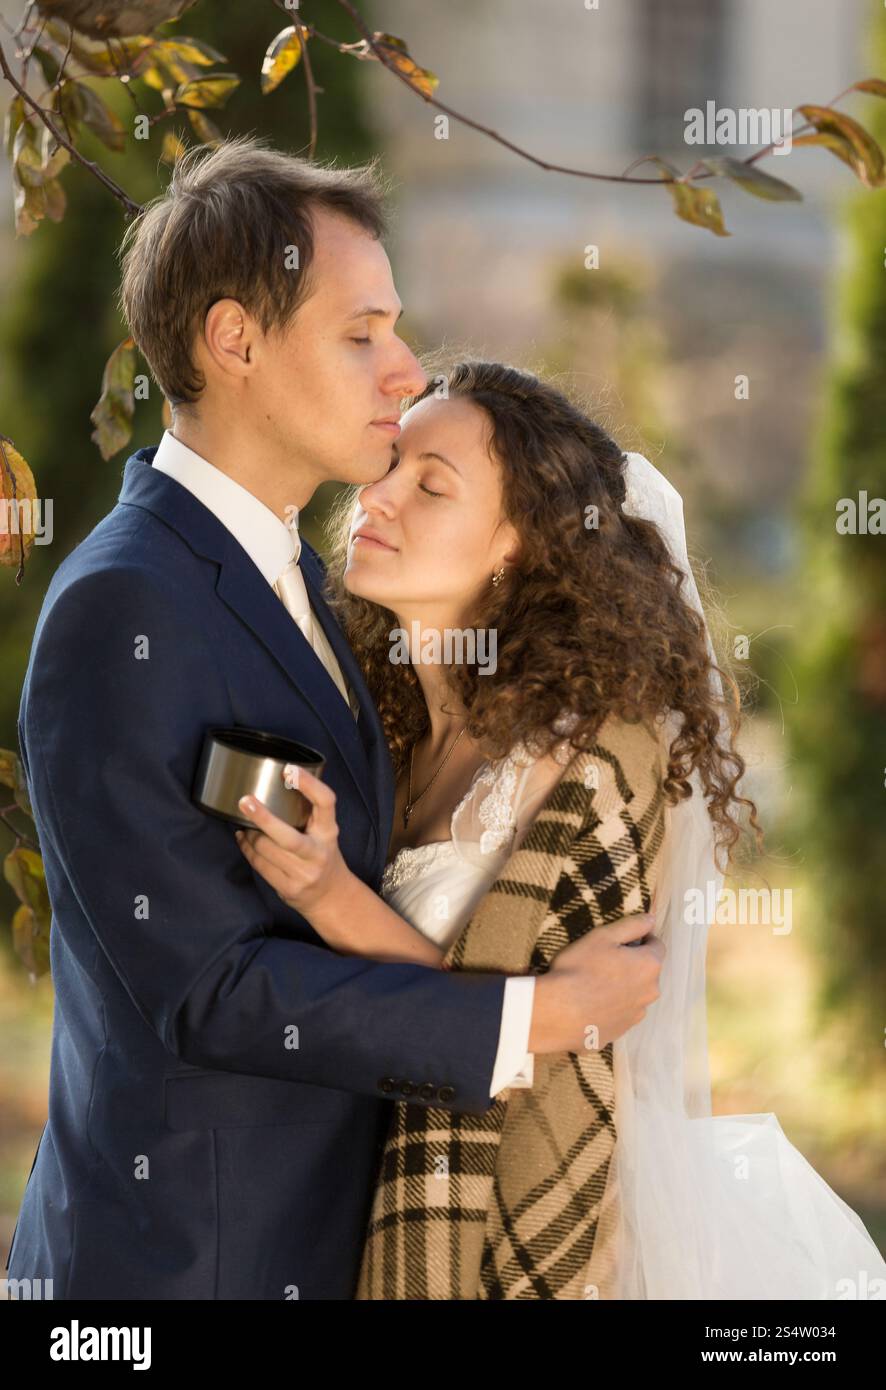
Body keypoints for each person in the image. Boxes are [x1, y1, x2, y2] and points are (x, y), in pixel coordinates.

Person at [4, 138, 662, 1301]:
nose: (404, 370)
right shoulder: (124, 604)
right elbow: (211, 988)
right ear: (234, 341)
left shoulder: (299, 580)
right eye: (361, 333)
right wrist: (538, 1016)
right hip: (185, 1271)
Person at [236, 359, 886, 1300]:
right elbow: (481, 1017)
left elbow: (536, 1053)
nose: (377, 498)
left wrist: (331, 896)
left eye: (432, 487)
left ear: (516, 545)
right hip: (340, 1212)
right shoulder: (383, 734)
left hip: (537, 1239)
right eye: (387, 466)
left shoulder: (585, 765)